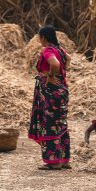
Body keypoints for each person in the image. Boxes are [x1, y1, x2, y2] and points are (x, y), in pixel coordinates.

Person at [28, 25, 71, 170]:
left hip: (51, 93)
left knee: (50, 124)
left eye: (39, 37)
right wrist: (60, 74)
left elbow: (55, 64)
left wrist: (50, 76)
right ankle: (64, 159)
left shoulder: (48, 50)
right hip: (62, 91)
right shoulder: (60, 49)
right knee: (60, 123)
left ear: (43, 37)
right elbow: (68, 60)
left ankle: (54, 161)